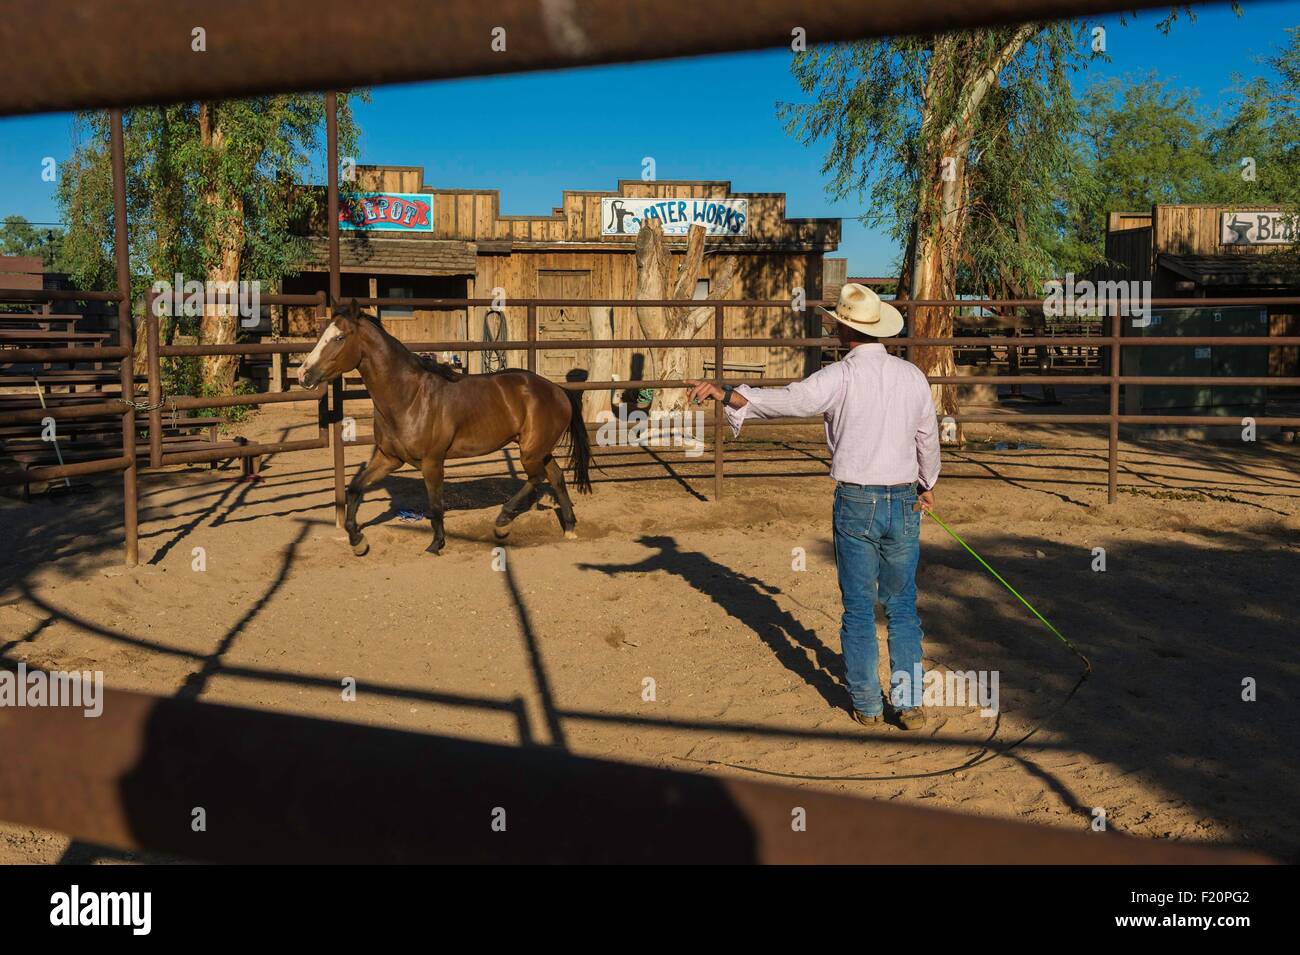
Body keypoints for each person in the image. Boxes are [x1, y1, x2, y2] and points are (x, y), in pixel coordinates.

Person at [686, 283, 941, 730]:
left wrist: (730, 394)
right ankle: (909, 703)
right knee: (902, 605)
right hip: (904, 497)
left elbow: (791, 400)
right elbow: (927, 436)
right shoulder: (912, 376)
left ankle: (867, 705)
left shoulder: (839, 377)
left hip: (857, 498)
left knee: (858, 607)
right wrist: (927, 483)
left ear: (844, 331)